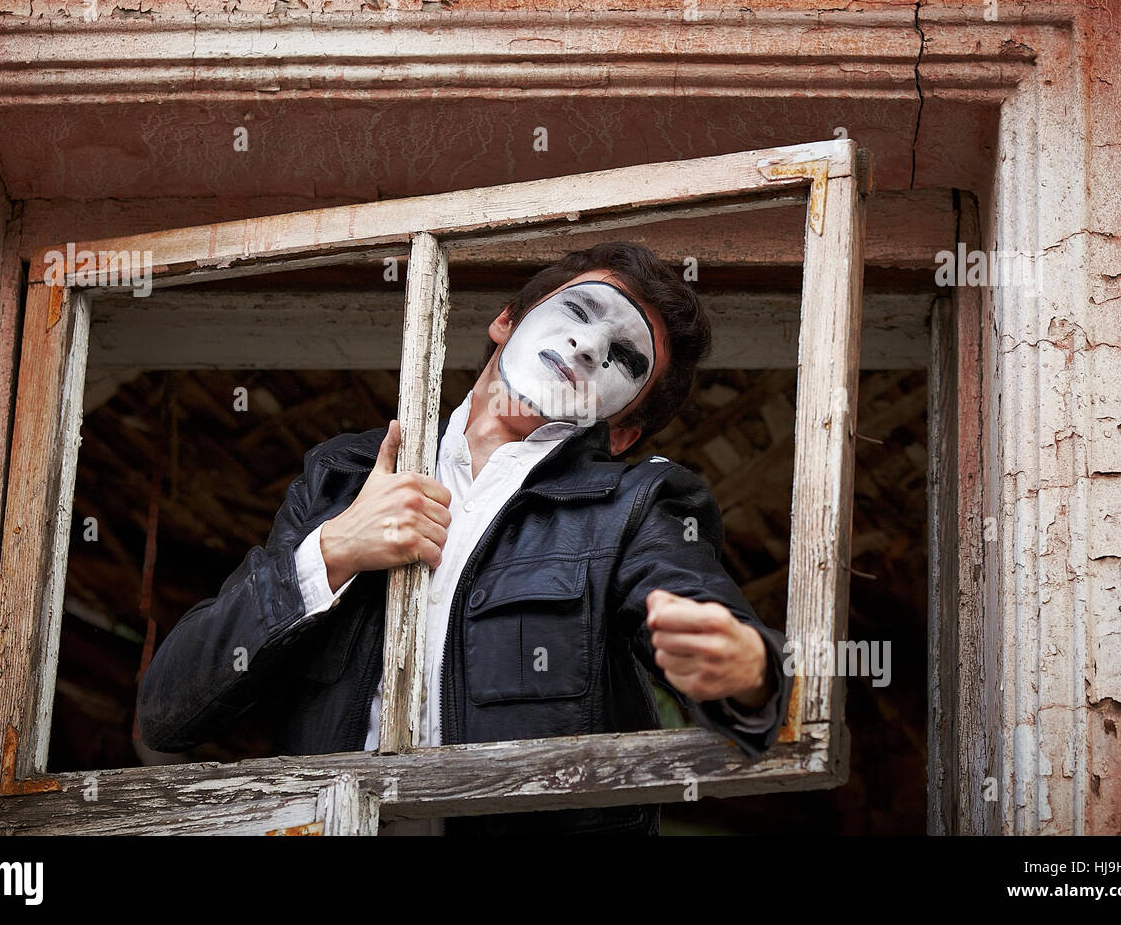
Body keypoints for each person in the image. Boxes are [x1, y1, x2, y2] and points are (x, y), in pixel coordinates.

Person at [137, 241, 793, 835]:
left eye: (624, 357)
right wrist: (332, 553)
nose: (590, 347)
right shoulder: (343, 477)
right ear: (506, 321)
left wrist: (751, 673)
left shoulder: (635, 506)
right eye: (581, 311)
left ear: (622, 431)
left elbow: (720, 636)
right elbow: (171, 712)